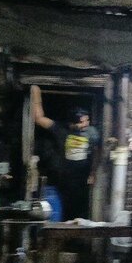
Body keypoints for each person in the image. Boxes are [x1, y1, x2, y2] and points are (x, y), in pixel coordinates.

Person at [31, 85, 100, 221]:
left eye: (87, 120)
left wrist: (93, 173)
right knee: (61, 208)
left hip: (82, 177)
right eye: (81, 122)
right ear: (71, 123)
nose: (85, 124)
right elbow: (39, 119)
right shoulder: (61, 129)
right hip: (63, 177)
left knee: (80, 209)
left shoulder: (92, 133)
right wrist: (35, 91)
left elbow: (97, 152)